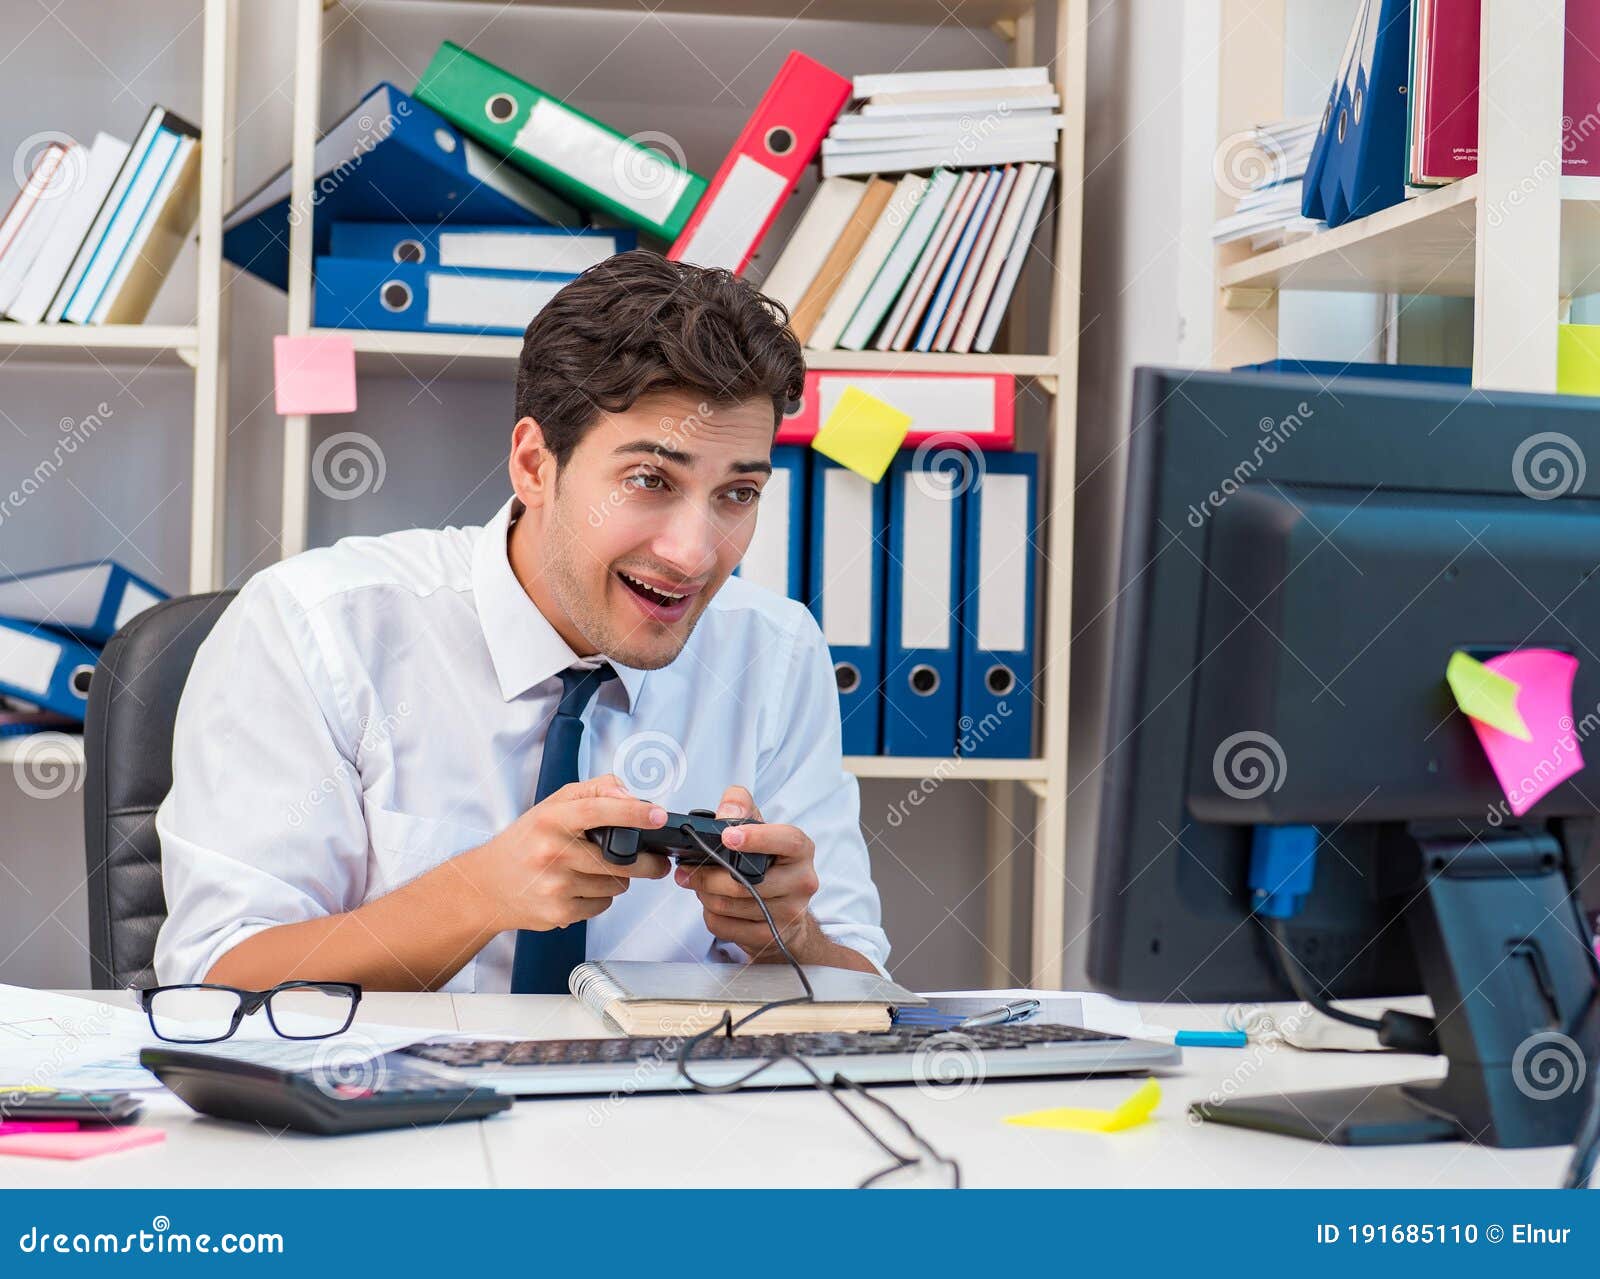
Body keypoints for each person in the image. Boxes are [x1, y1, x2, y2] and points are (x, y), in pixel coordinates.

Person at [153, 251, 887, 994]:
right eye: (649, 481)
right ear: (535, 465)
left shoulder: (778, 652)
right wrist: (480, 893)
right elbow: (214, 978)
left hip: (675, 1104)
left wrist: (789, 936)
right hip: (395, 1105)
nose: (694, 554)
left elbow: (867, 985)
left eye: (737, 494)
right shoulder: (315, 630)